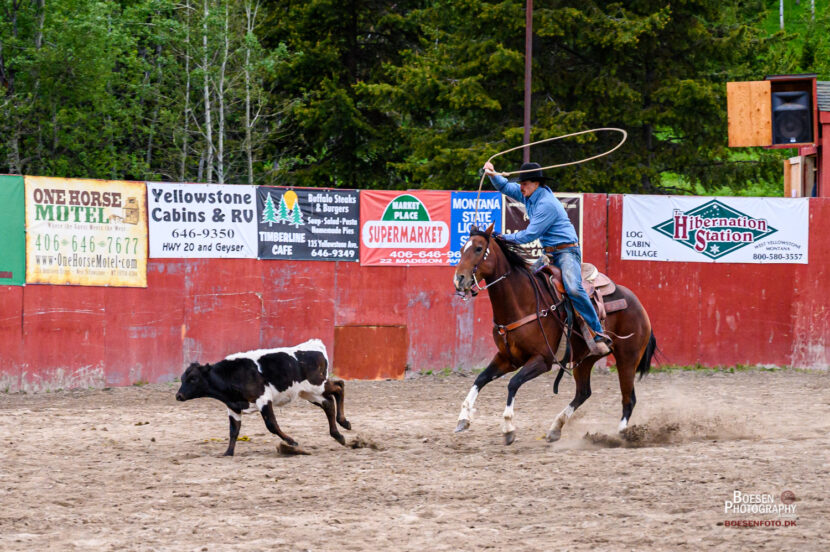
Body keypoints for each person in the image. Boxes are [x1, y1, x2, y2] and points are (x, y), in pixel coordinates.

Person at [483, 160, 612, 356]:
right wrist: (491, 174)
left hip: (567, 252)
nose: (520, 187)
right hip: (549, 253)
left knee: (573, 288)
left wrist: (503, 237)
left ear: (536, 183)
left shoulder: (546, 204)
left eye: (524, 183)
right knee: (526, 280)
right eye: (521, 183)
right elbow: (505, 186)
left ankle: (597, 332)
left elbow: (529, 235)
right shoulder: (529, 195)